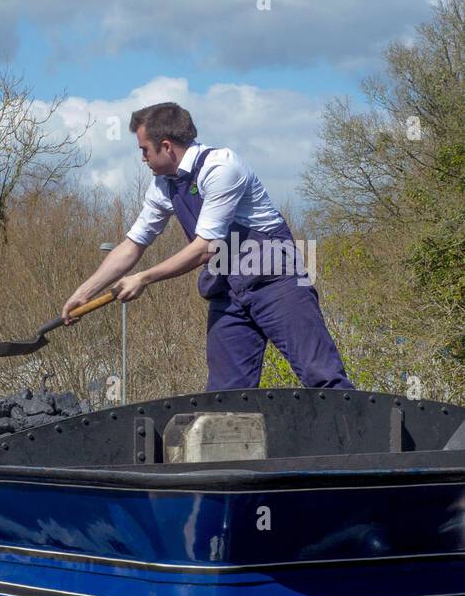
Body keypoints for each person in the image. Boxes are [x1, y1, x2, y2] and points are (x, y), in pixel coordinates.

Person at [62, 102, 353, 391]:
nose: (142, 159)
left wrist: (144, 278)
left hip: (276, 282)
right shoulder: (165, 185)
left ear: (166, 146)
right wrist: (83, 293)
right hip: (227, 291)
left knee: (322, 376)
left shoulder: (221, 167)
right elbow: (133, 245)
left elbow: (205, 248)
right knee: (224, 396)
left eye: (144, 150)